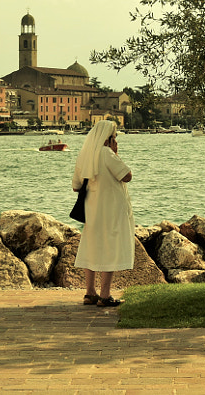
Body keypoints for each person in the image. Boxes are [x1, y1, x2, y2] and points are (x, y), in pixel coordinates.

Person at [72, 119, 134, 307]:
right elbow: (127, 176)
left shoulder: (85, 154)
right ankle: (105, 295)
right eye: (114, 137)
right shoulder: (107, 153)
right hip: (112, 208)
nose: (115, 140)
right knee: (110, 247)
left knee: (92, 246)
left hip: (92, 209)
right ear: (108, 138)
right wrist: (116, 154)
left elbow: (76, 186)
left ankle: (90, 292)